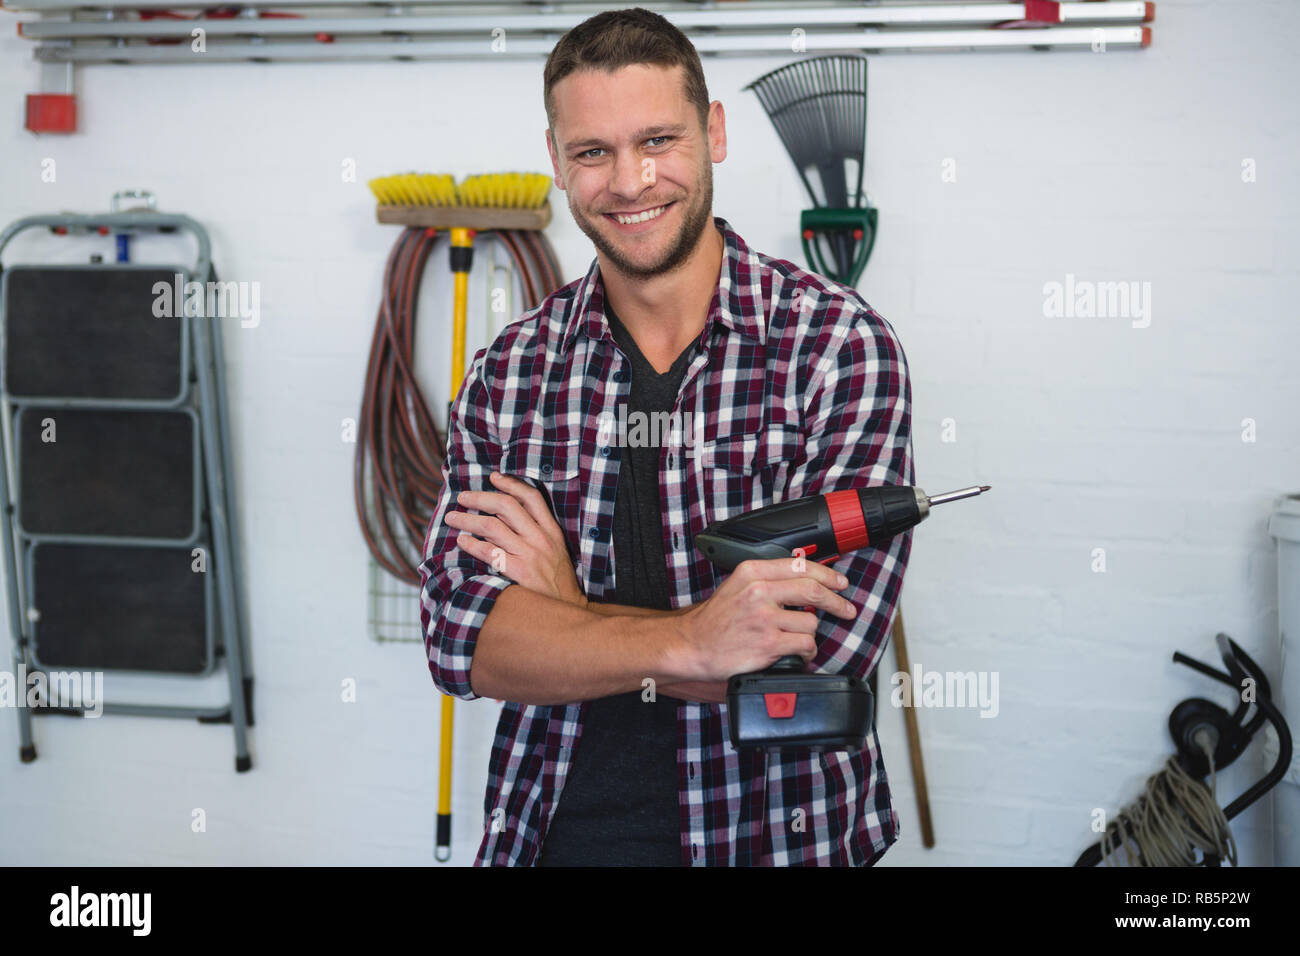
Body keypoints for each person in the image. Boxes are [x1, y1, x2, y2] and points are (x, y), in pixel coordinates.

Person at [419, 6, 914, 867]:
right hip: (556, 837)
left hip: (779, 842)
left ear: (712, 133)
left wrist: (565, 614)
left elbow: (817, 669)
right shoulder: (511, 375)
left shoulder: (836, 349)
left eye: (658, 140)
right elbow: (463, 636)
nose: (630, 180)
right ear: (557, 163)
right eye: (592, 152)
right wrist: (695, 639)